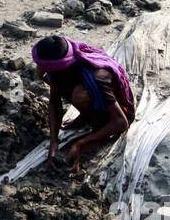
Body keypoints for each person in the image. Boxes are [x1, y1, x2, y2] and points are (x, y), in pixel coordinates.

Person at [32, 35, 135, 170]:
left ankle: (99, 126)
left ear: (53, 67)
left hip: (119, 113)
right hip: (97, 98)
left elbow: (121, 122)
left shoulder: (97, 77)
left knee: (79, 96)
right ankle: (87, 117)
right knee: (70, 90)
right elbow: (55, 103)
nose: (39, 69)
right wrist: (54, 141)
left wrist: (81, 143)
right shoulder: (61, 66)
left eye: (41, 65)